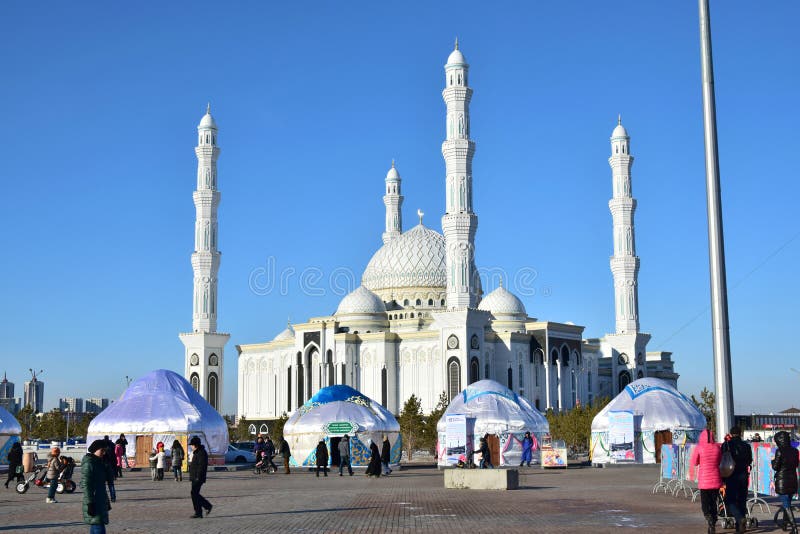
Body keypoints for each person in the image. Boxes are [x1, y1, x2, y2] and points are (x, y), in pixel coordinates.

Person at [690, 429, 723, 534]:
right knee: (714, 502)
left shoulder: (699, 447)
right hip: (716, 479)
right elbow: (720, 461)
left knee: (705, 503)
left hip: (704, 480)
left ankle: (708, 518)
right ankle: (713, 520)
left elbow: (694, 462)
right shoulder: (717, 447)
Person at [721, 426, 752, 533]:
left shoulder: (726, 445)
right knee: (742, 500)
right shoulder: (747, 446)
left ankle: (739, 518)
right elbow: (749, 460)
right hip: (743, 475)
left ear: (731, 433)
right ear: (740, 433)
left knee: (729, 500)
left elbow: (722, 460)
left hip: (731, 475)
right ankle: (740, 527)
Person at [82, 440, 110, 534]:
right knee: (98, 524)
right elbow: (86, 484)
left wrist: (106, 501)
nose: (104, 453)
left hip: (100, 499)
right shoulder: (89, 463)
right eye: (102, 450)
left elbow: (102, 484)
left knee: (96, 523)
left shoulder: (99, 463)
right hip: (94, 500)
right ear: (95, 450)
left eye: (105, 451)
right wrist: (90, 503)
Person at [772, 430, 799, 517]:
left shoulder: (779, 451)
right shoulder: (795, 451)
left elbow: (775, 467)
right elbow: (796, 464)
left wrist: (772, 461)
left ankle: (794, 526)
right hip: (793, 479)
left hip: (782, 480)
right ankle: (785, 522)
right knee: (788, 502)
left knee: (786, 504)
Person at [188, 436, 212, 518]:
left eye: (192, 445)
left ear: (196, 445)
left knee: (194, 493)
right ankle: (201, 510)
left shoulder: (201, 453)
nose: (191, 447)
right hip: (195, 477)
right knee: (194, 494)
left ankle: (204, 508)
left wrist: (198, 477)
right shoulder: (197, 452)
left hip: (198, 477)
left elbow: (202, 466)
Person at [102, 435, 117, 502]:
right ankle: (113, 497)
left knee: (103, 485)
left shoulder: (102, 448)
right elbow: (114, 460)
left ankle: (105, 498)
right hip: (110, 467)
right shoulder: (112, 446)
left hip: (104, 468)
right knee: (111, 485)